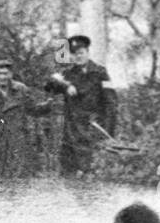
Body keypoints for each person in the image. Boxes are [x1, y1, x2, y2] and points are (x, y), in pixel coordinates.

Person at [44, 35, 117, 178]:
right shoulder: (68, 74)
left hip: (93, 128)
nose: (78, 57)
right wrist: (66, 86)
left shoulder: (100, 73)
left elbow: (111, 103)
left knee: (92, 172)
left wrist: (108, 132)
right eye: (74, 54)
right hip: (71, 131)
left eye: (81, 53)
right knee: (68, 172)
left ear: (87, 53)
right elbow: (48, 86)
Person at [0, 59, 48, 179]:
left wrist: (50, 105)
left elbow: (33, 109)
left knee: (20, 177)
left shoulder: (21, 89)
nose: (2, 77)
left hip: (19, 139)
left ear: (11, 74)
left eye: (5, 73)